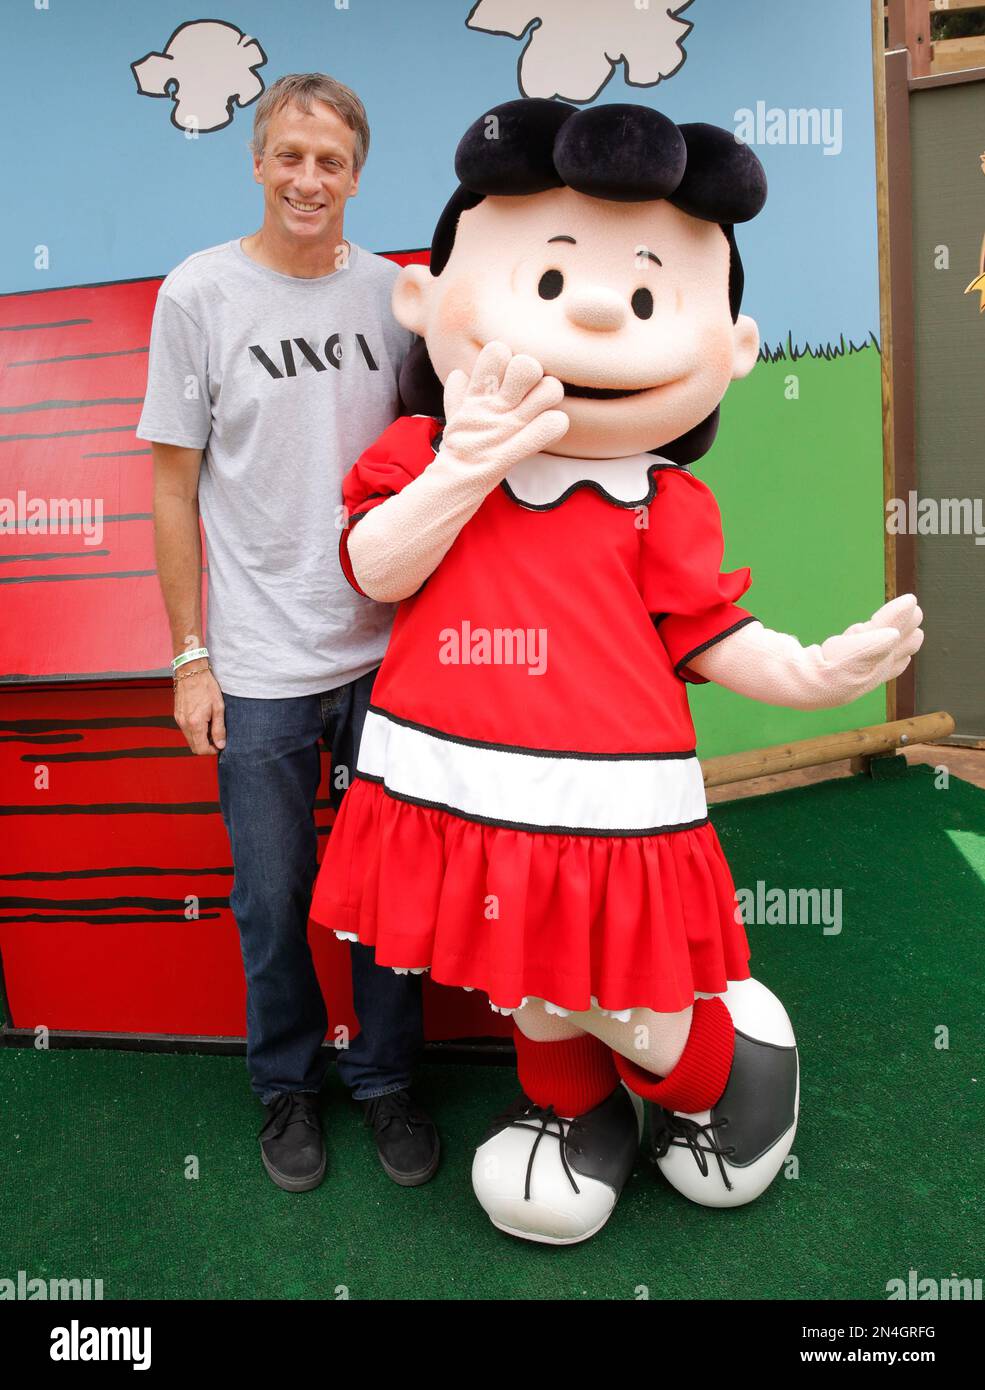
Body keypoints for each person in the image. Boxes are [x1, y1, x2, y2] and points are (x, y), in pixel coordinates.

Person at [308, 98, 923, 1242]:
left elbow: (705, 631)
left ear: (732, 350)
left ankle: (724, 1070)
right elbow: (375, 568)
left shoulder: (658, 498)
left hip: (608, 799)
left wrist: (812, 672)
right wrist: (468, 462)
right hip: (453, 790)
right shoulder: (418, 455)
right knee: (519, 975)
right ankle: (571, 1116)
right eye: (546, 284)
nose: (593, 311)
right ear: (423, 301)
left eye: (646, 299)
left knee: (610, 982)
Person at [136, 72, 439, 1193]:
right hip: (258, 665)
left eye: (333, 161)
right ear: (258, 162)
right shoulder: (197, 296)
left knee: (392, 896)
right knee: (272, 896)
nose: (310, 178)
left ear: (358, 175)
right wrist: (189, 654)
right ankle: (287, 1088)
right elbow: (171, 489)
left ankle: (390, 1080)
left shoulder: (398, 295)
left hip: (388, 658)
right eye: (291, 156)